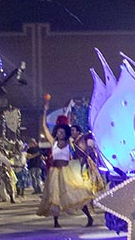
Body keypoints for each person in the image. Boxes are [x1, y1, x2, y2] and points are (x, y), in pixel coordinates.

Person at [37, 98, 101, 228]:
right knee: (54, 197)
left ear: (65, 133)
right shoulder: (53, 142)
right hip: (54, 173)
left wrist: (88, 162)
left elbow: (80, 153)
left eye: (62, 132)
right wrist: (45, 111)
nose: (60, 133)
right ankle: (56, 222)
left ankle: (89, 217)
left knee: (76, 194)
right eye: (58, 131)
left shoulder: (70, 143)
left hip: (67, 171)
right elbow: (44, 127)